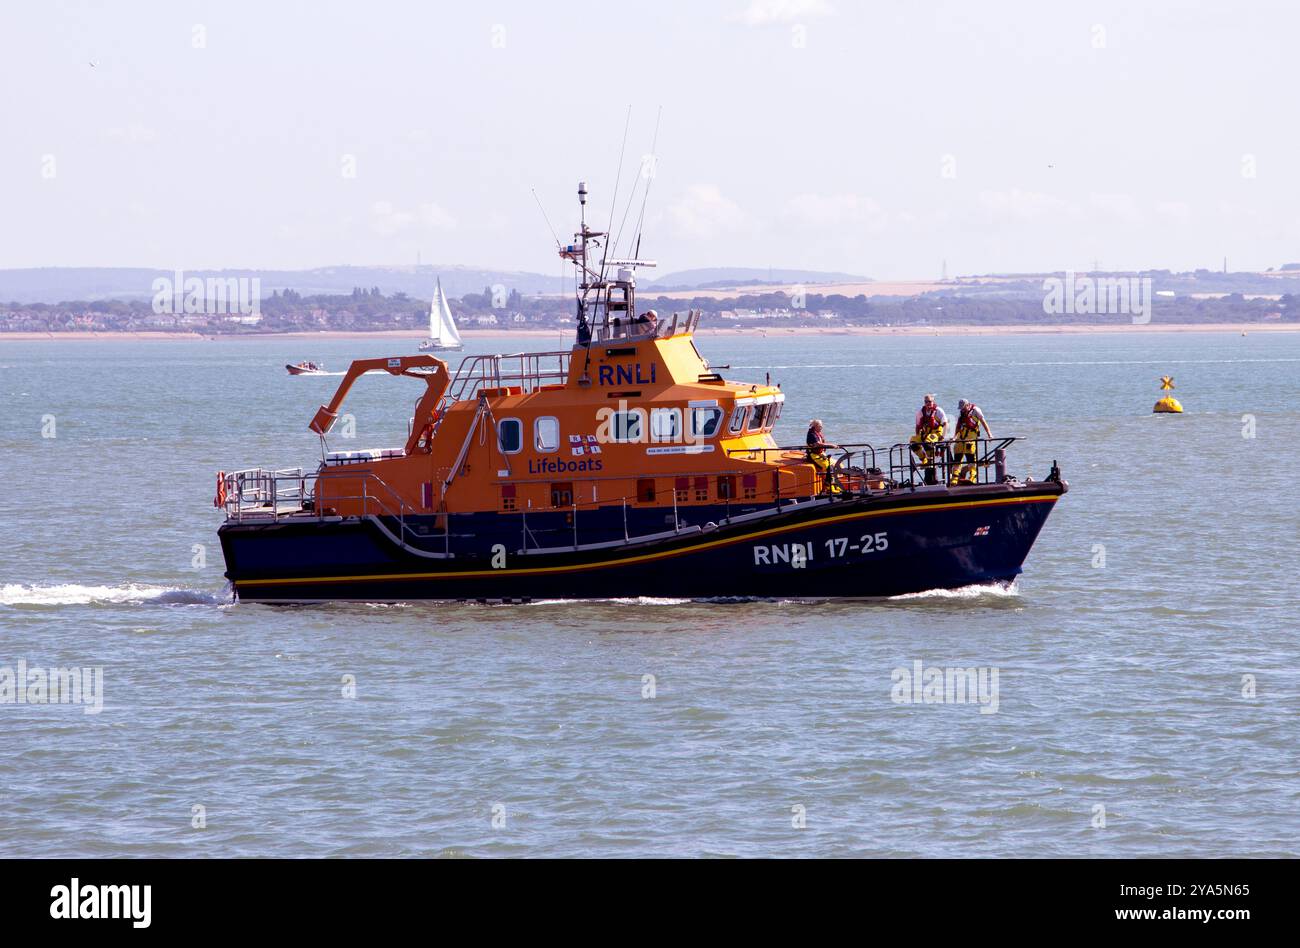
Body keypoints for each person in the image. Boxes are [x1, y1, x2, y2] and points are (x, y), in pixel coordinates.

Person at [949, 398, 991, 485]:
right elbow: (958, 426)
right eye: (961, 409)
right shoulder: (962, 414)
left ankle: (973, 477)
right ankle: (955, 479)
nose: (962, 410)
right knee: (957, 455)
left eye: (964, 408)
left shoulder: (976, 411)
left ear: (968, 405)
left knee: (970, 457)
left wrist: (989, 434)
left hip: (971, 437)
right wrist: (954, 437)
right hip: (961, 437)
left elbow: (983, 422)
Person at [909, 394, 947, 484]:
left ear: (933, 401)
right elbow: (918, 426)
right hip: (925, 434)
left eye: (929, 401)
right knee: (912, 442)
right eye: (926, 402)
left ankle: (931, 475)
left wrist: (943, 436)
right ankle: (923, 458)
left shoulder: (938, 411)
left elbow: (945, 424)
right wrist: (918, 438)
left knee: (927, 442)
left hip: (936, 434)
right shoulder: (921, 412)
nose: (928, 403)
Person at [806, 419, 842, 494]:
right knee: (828, 467)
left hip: (821, 454)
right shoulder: (811, 434)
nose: (821, 427)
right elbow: (818, 444)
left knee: (838, 465)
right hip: (813, 456)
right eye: (820, 426)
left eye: (821, 426)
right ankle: (829, 487)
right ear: (815, 426)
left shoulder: (818, 433)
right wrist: (831, 445)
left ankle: (836, 485)